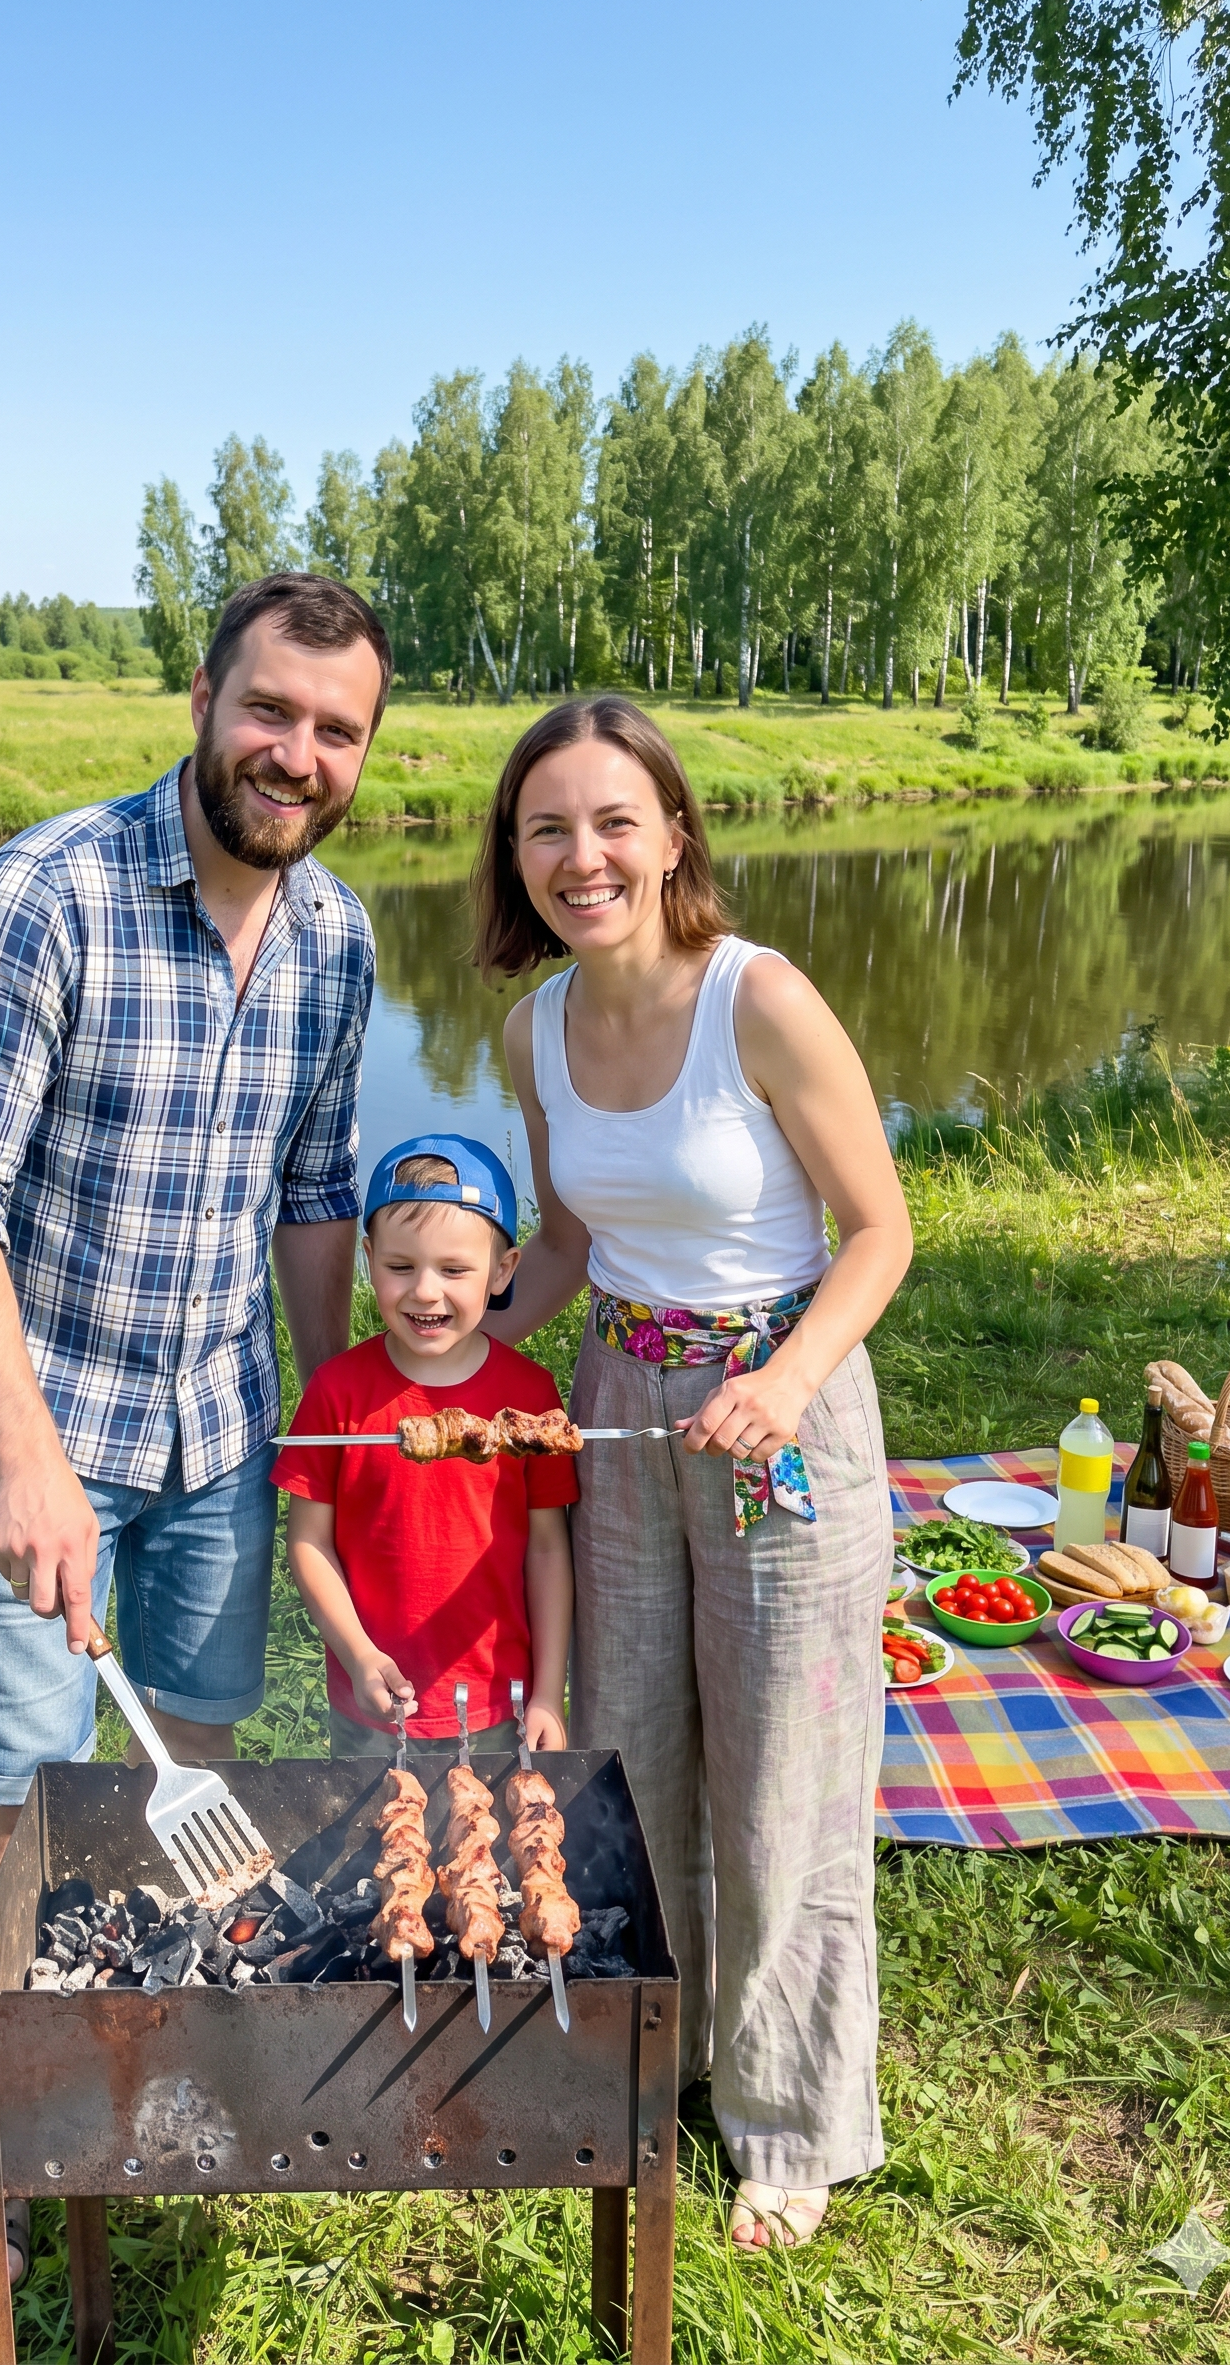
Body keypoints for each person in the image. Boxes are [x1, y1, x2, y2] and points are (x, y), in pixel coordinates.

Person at [0, 572, 391, 2288]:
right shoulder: (47, 893)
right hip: (58, 1425)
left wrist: (331, 1420)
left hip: (226, 1429)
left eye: (334, 731)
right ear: (201, 697)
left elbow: (316, 1190)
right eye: (271, 710)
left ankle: (117, 2057)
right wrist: (27, 1457)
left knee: (179, 1767)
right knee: (16, 1800)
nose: (295, 753)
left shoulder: (337, 939)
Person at [474, 696, 913, 2253]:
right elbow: (573, 1247)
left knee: (784, 1775)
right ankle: (657, 2061)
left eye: (610, 822)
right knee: (634, 1752)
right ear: (513, 855)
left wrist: (785, 1384)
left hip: (779, 1414)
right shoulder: (533, 1029)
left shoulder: (762, 1002)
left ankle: (791, 2122)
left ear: (671, 836)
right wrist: (453, 1334)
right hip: (617, 1405)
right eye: (545, 828)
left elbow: (882, 1232)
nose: (579, 857)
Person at [274, 1138, 575, 1758]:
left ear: (503, 1271)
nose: (425, 1293)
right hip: (372, 1702)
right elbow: (308, 1541)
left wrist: (548, 1692)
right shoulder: (337, 1394)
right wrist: (357, 1655)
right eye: (401, 1266)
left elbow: (547, 1550)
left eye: (454, 1270)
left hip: (502, 1702)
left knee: (496, 1851)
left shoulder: (530, 1398)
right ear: (368, 1260)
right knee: (382, 1849)